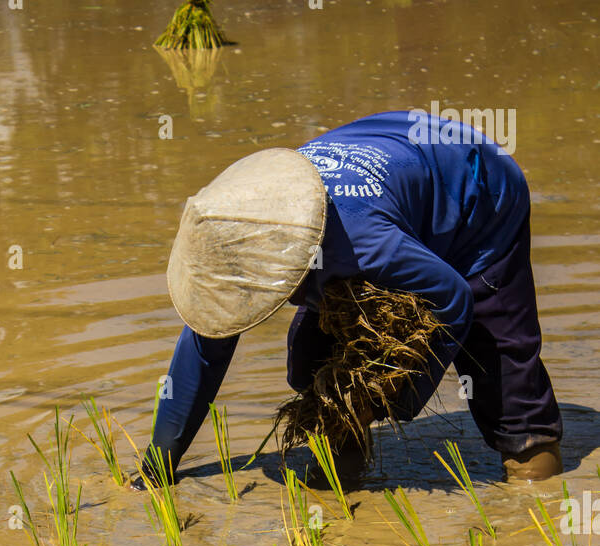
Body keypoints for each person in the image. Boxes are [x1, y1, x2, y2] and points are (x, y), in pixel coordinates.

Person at [135, 110, 563, 489]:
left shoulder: (364, 244)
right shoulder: (235, 245)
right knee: (313, 358)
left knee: (495, 346)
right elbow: (203, 354)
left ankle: (532, 465)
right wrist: (159, 465)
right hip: (384, 158)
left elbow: (452, 298)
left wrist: (403, 396)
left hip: (476, 186)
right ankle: (343, 460)